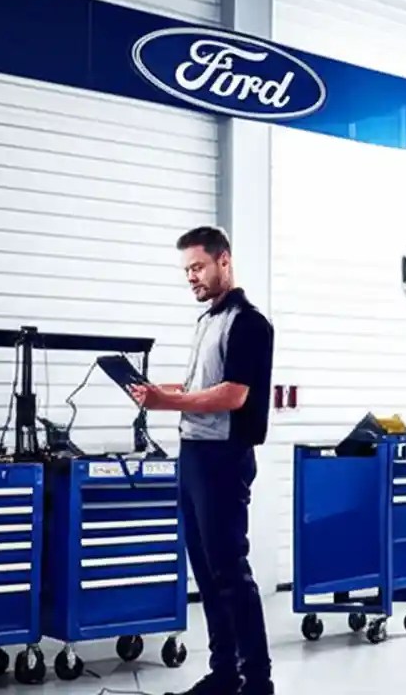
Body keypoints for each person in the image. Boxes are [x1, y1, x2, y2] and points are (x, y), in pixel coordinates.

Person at [130, 225, 275, 695]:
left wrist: (165, 403)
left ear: (224, 261)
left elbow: (232, 396)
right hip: (193, 456)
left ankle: (256, 682)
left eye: (198, 267)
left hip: (223, 459)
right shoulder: (206, 321)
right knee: (208, 575)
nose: (191, 277)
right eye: (186, 270)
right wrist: (153, 392)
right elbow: (199, 387)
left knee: (231, 572)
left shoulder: (250, 324)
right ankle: (224, 675)